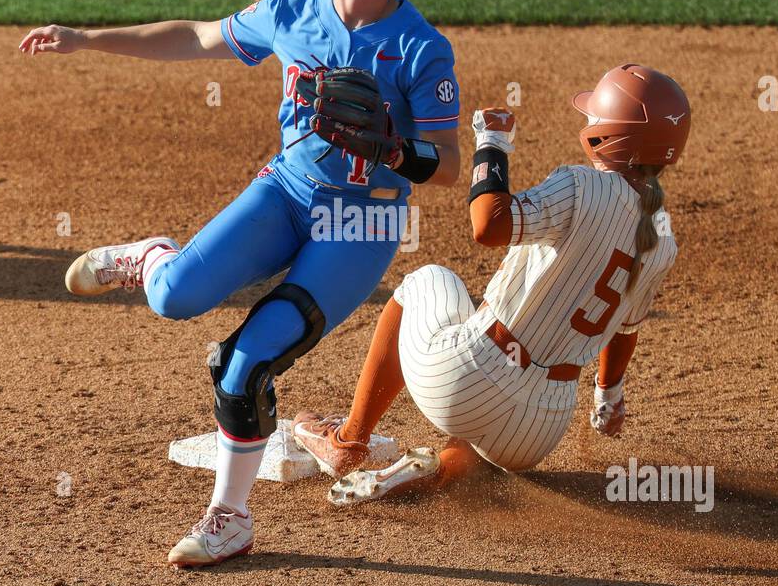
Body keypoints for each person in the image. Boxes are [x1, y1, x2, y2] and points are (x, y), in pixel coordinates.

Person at [18, 0, 461, 564]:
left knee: (245, 363)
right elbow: (196, 37)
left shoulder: (421, 47)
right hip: (285, 192)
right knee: (173, 297)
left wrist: (396, 152)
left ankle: (230, 518)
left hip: (360, 222)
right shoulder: (289, 12)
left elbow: (451, 165)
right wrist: (84, 38)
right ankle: (150, 258)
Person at [290, 64, 691, 504]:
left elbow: (489, 225)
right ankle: (433, 471)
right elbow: (625, 331)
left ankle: (347, 441)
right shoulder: (663, 237)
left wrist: (493, 144)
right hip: (538, 431)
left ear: (607, 133)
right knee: (477, 445)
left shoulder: (581, 186)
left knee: (426, 280)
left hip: (464, 379)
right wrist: (607, 397)